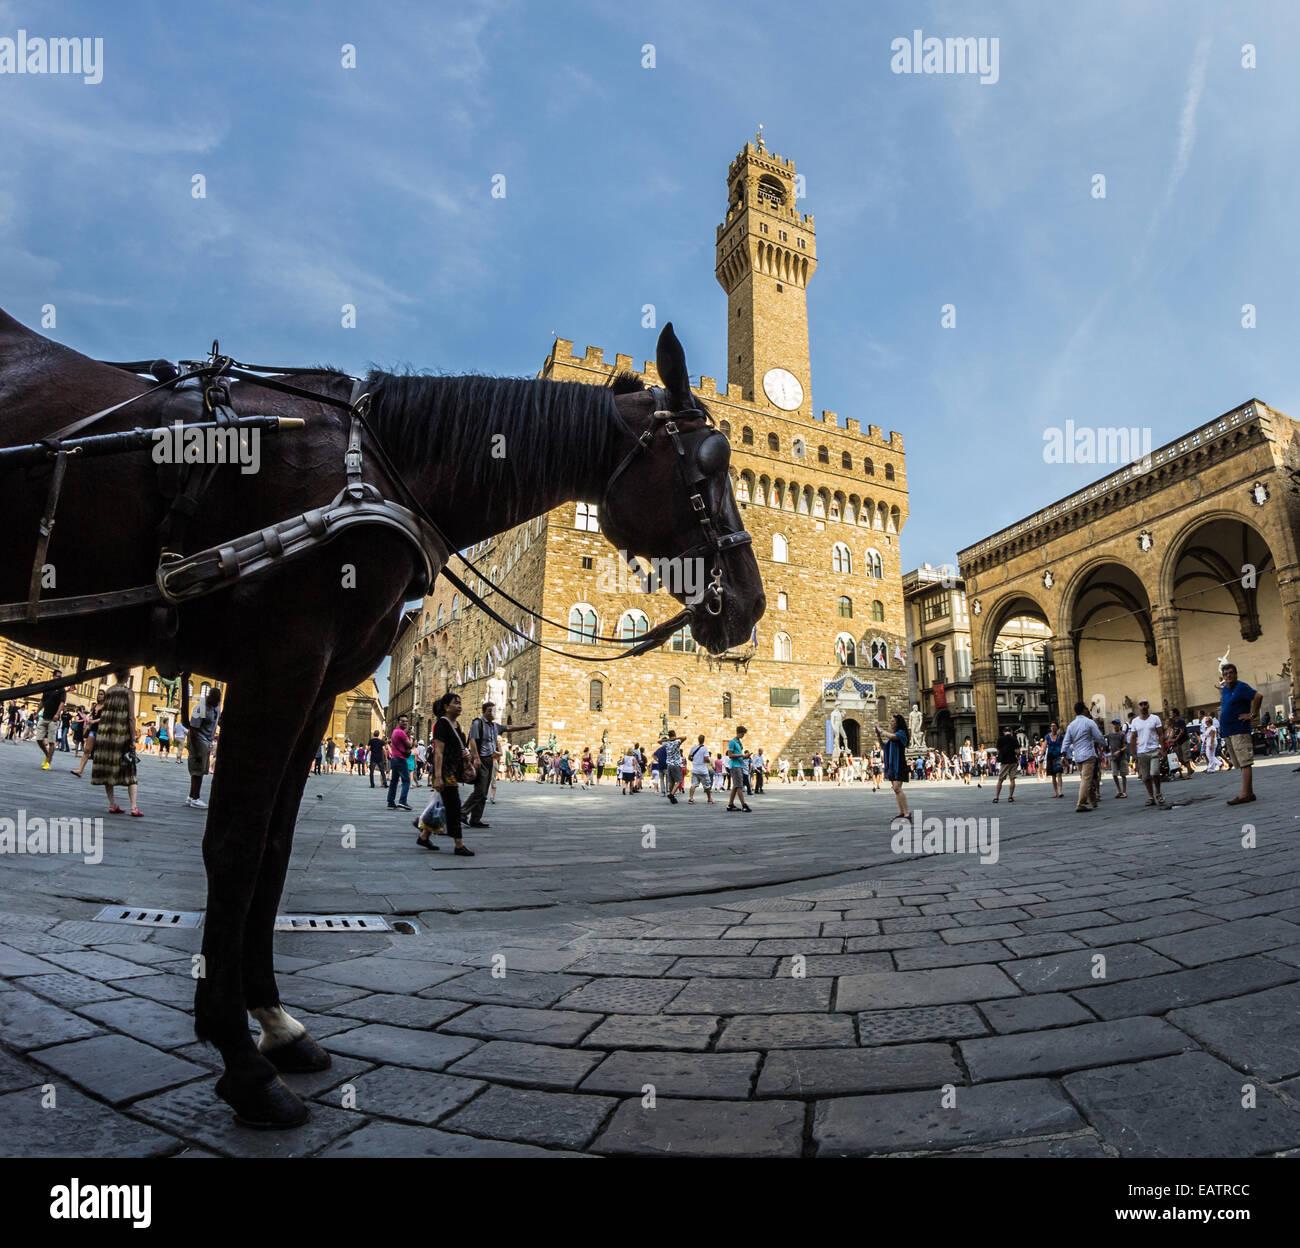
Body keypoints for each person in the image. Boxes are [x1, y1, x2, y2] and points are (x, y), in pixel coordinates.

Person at [429, 691, 475, 856]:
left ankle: (423, 835)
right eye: (456, 702)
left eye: (460, 702)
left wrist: (467, 754)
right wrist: (439, 776)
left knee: (440, 804)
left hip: (454, 770)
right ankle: (459, 844)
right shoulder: (442, 724)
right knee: (454, 806)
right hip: (445, 771)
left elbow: (459, 747)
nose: (459, 705)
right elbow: (439, 752)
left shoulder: (457, 725)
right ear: (446, 707)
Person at [92, 669, 142, 816]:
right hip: (122, 735)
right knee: (130, 770)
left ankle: (112, 804)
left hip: (106, 735)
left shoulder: (109, 691)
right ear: (127, 676)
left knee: (108, 767)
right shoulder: (128, 692)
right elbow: (131, 717)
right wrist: (133, 737)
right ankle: (133, 807)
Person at [1218, 663, 1263, 805]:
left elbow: (1258, 696)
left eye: (1231, 673)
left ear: (1236, 674)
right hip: (1229, 731)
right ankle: (1248, 792)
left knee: (1245, 762)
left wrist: (1253, 714)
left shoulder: (1241, 686)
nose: (1228, 676)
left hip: (1239, 730)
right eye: (1225, 674)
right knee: (1239, 763)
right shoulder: (1225, 689)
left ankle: (1244, 794)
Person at [1061, 701, 1105, 812]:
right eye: (1086, 708)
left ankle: (1093, 801)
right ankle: (1080, 804)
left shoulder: (1071, 725)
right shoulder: (1089, 722)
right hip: (1089, 755)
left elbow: (1066, 741)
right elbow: (1099, 736)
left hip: (1078, 757)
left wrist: (1063, 754)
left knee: (1086, 778)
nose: (1088, 710)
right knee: (1086, 780)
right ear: (1083, 710)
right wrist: (1104, 745)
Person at [462, 701, 498, 828]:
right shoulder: (478, 723)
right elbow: (472, 739)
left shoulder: (494, 726)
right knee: (480, 791)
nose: (492, 713)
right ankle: (462, 812)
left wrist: (527, 726)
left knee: (484, 792)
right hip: (481, 760)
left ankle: (475, 819)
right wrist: (476, 758)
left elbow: (509, 728)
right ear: (484, 711)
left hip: (490, 760)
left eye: (493, 710)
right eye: (489, 710)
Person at [185, 686, 221, 808]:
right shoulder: (200, 708)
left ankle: (191, 796)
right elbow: (193, 730)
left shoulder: (216, 706)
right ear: (209, 698)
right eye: (215, 701)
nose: (217, 703)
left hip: (207, 740)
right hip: (198, 739)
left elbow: (218, 720)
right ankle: (195, 798)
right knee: (198, 770)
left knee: (200, 770)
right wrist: (195, 751)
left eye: (218, 701)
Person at [1129, 699, 1165, 807]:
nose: (1143, 706)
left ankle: (1158, 793)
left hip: (1154, 750)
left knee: (1155, 773)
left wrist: (1162, 749)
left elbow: (1161, 734)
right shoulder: (1135, 721)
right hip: (1141, 752)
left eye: (1145, 704)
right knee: (1145, 777)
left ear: (1148, 706)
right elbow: (1133, 737)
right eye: (1141, 704)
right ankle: (1151, 797)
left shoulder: (1155, 718)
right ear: (1138, 707)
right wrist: (1133, 754)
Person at [876, 714, 910, 822]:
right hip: (892, 766)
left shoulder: (901, 734)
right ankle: (901, 812)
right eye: (891, 721)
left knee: (897, 788)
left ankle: (907, 813)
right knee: (896, 790)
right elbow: (884, 746)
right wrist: (878, 736)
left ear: (898, 723)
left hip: (899, 764)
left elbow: (892, 737)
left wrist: (880, 730)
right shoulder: (892, 737)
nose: (891, 723)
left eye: (893, 721)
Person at [71, 687, 104, 779]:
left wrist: (95, 721)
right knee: (86, 750)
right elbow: (91, 716)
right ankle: (80, 770)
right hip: (93, 730)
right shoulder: (95, 706)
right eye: (98, 694)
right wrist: (90, 719)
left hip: (102, 731)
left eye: (101, 694)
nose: (99, 695)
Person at [35, 670, 65, 769]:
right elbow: (42, 701)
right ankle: (48, 755)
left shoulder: (62, 689)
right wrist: (37, 712)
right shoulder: (47, 687)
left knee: (52, 741)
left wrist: (57, 714)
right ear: (53, 676)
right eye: (57, 676)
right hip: (44, 716)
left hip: (53, 719)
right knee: (39, 739)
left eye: (60, 677)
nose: (59, 679)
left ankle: (48, 762)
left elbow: (62, 703)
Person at [386, 714, 413, 811]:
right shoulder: (401, 733)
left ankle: (390, 801)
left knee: (394, 781)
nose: (405, 722)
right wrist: (411, 737)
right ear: (398, 722)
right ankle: (402, 801)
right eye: (402, 721)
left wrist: (408, 735)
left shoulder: (395, 731)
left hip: (394, 758)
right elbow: (409, 745)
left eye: (406, 721)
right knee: (406, 781)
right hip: (400, 759)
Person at [725, 725, 751, 812]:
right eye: (743, 734)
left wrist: (746, 757)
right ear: (739, 733)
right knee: (739, 785)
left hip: (739, 765)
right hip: (735, 766)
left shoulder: (739, 742)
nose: (743, 736)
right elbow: (730, 755)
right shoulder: (732, 742)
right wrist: (742, 755)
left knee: (735, 786)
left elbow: (739, 756)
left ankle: (730, 804)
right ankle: (744, 805)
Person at [992, 725, 1019, 803]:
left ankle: (996, 798)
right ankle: (1010, 797)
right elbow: (1017, 751)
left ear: (1004, 732)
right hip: (1013, 761)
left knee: (1000, 780)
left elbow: (998, 751)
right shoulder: (1014, 739)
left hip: (1004, 762)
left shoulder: (1000, 739)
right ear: (1011, 732)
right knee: (1012, 779)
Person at [1106, 717, 1129, 798]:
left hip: (1122, 757)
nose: (1115, 725)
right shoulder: (1110, 735)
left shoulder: (1122, 734)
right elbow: (1108, 745)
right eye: (1114, 724)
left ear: (1119, 725)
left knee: (1123, 775)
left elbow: (1125, 746)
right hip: (1113, 758)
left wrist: (1119, 751)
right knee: (1114, 774)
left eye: (1116, 724)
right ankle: (1119, 790)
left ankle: (1124, 791)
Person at [688, 735, 712, 804]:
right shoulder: (705, 749)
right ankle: (709, 799)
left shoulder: (693, 748)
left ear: (698, 739)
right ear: (704, 740)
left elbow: (689, 758)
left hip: (695, 769)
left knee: (693, 785)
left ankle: (691, 798)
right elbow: (706, 758)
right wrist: (709, 761)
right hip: (703, 770)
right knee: (707, 785)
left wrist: (695, 760)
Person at [663, 730, 683, 805]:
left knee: (671, 781)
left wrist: (668, 739)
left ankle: (672, 796)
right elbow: (684, 737)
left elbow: (659, 741)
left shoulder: (667, 744)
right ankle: (671, 794)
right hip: (676, 764)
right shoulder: (676, 742)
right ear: (674, 735)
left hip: (669, 765)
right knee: (679, 781)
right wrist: (674, 738)